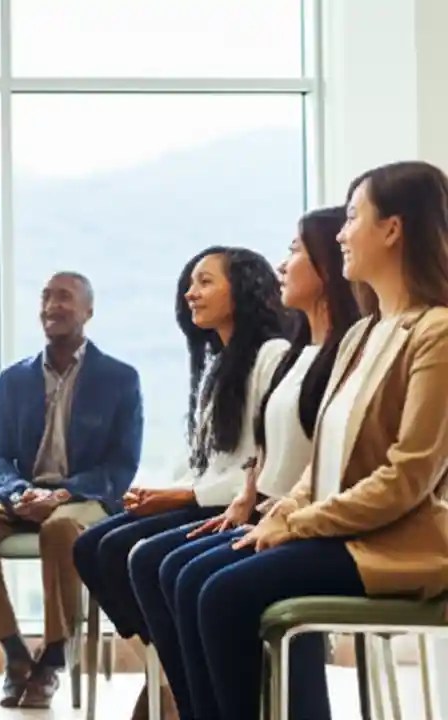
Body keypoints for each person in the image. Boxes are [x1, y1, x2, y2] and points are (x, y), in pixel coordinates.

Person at [187, 161, 448, 720]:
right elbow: (324, 458)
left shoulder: (437, 333)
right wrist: (286, 510)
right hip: (337, 529)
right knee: (192, 577)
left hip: (393, 543)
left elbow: (408, 477)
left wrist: (299, 522)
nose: (340, 233)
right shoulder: (363, 332)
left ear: (393, 230)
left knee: (221, 592)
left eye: (353, 217)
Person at [126, 209, 366, 720]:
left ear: (325, 268)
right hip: (275, 510)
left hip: (316, 523)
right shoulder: (302, 350)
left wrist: (281, 513)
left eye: (297, 250)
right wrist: (250, 498)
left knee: (195, 580)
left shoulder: (337, 350)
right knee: (161, 564)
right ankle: (190, 701)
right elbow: (271, 451)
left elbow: (342, 463)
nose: (283, 264)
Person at [72, 246, 291, 719]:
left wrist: (182, 495)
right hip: (211, 494)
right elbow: (207, 461)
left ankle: (177, 683)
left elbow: (260, 463)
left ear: (245, 287)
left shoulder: (273, 355)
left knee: (129, 552)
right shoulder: (219, 364)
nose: (191, 293)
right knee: (91, 546)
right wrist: (164, 491)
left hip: (237, 503)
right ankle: (172, 670)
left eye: (206, 281)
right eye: (190, 283)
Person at [0, 272, 143, 709]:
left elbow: (121, 465)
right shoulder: (12, 380)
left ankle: (54, 655)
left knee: (61, 530)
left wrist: (63, 495)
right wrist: (18, 493)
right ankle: (15, 654)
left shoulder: (119, 378)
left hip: (84, 498)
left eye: (65, 298)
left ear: (88, 312)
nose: (52, 306)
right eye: (46, 297)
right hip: (23, 494)